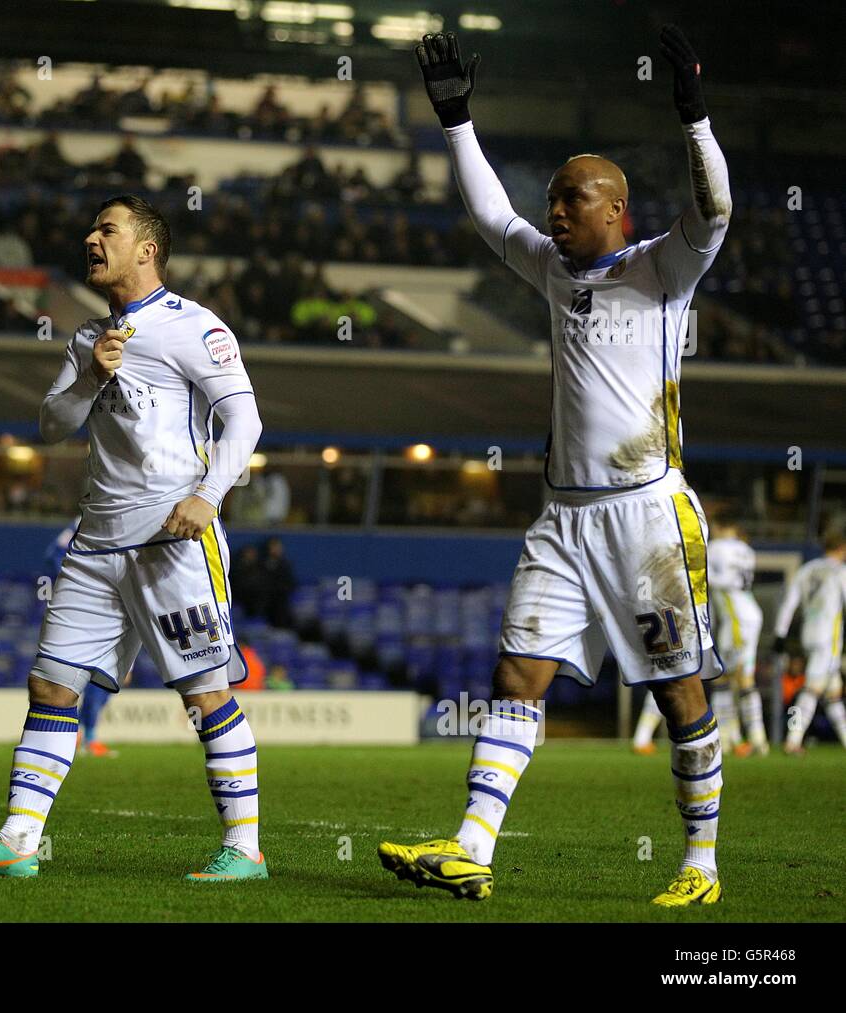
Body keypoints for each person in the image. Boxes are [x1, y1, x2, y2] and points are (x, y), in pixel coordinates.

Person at [379, 27, 732, 907]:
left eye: (571, 200)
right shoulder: (549, 269)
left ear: (617, 209)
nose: (556, 213)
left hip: (648, 520)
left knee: (678, 690)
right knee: (516, 676)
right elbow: (492, 215)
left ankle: (701, 863)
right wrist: (457, 120)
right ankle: (470, 846)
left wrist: (695, 118)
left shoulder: (663, 270)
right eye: (554, 200)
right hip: (563, 518)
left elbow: (716, 209)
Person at [0, 195, 265, 881]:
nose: (91, 237)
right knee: (51, 686)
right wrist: (92, 372)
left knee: (205, 696)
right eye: (90, 228)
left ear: (147, 248)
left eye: (107, 229)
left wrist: (208, 496)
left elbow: (246, 421)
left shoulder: (193, 327)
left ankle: (245, 848)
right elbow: (52, 423)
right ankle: (18, 842)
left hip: (171, 538)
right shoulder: (88, 338)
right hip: (93, 544)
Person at [633, 522, 766, 756]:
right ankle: (749, 738)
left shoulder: (667, 556)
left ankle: (736, 738)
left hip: (679, 619)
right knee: (679, 676)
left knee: (688, 677)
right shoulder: (731, 551)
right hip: (680, 619)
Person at [43, 518, 123, 758]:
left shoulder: (127, 513)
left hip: (115, 606)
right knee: (85, 672)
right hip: (88, 608)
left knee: (109, 675)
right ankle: (76, 735)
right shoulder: (86, 518)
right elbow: (53, 554)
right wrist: (75, 584)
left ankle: (84, 736)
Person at [771, 532, 846, 753]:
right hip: (829, 638)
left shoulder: (807, 569)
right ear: (842, 548)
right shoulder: (840, 571)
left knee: (832, 694)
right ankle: (793, 740)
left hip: (808, 634)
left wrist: (779, 634)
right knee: (811, 690)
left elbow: (789, 603)